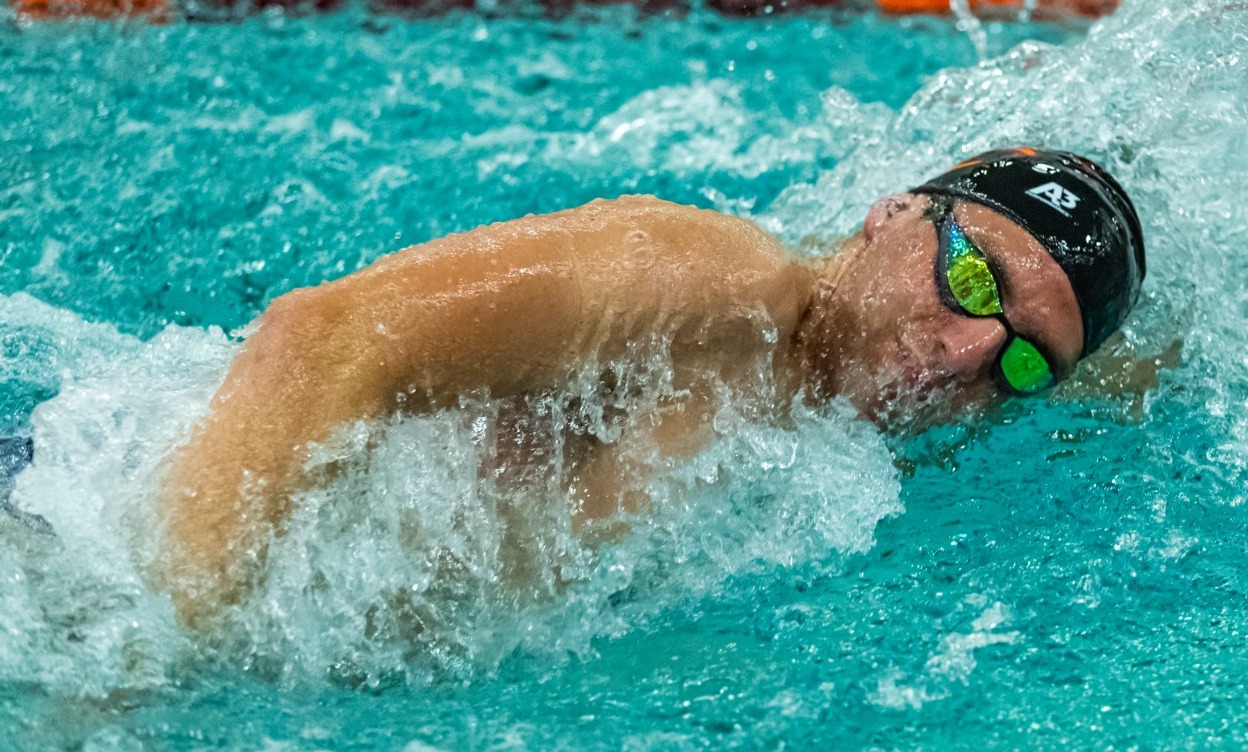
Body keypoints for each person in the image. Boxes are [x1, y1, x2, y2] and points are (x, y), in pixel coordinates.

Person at [155, 147, 1146, 626]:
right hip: (99, 538)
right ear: (890, 214)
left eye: (1020, 365)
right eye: (970, 280)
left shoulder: (841, 444)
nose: (965, 356)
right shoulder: (713, 287)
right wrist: (160, 649)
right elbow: (322, 339)